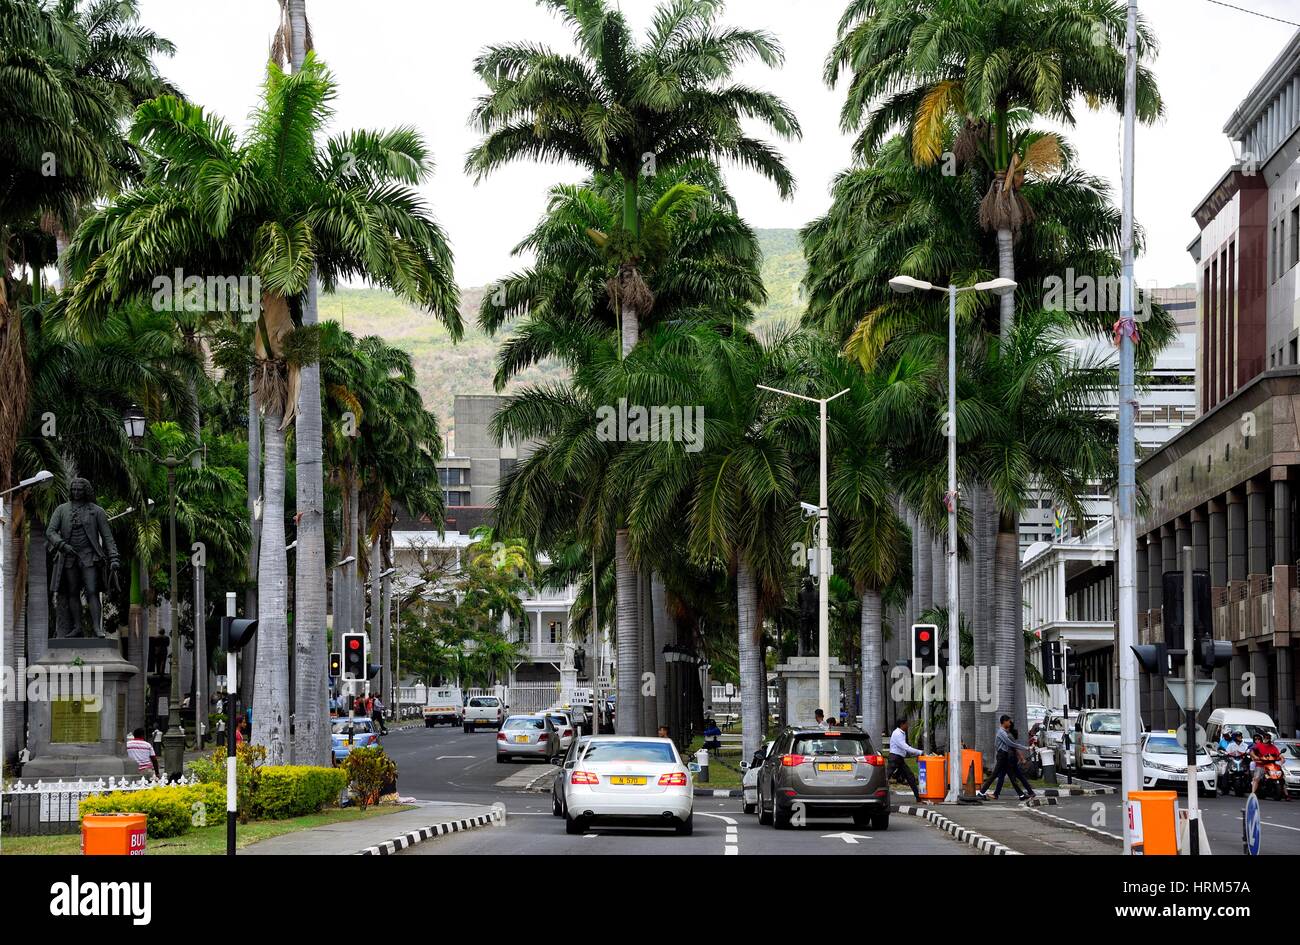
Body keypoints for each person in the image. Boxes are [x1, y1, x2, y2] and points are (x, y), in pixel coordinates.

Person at [979, 716, 1036, 801]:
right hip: (1002, 756)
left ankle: (1020, 795)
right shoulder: (1001, 733)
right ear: (1004, 722)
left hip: (1005, 756)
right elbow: (1011, 744)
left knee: (1010, 776)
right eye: (1009, 722)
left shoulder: (1004, 732)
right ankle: (981, 793)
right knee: (996, 775)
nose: (1010, 723)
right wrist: (1027, 748)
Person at [888, 718, 924, 803]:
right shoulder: (897, 733)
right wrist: (919, 752)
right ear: (902, 724)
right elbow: (905, 747)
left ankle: (918, 798)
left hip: (899, 758)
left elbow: (904, 749)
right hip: (894, 758)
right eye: (906, 724)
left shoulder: (901, 733)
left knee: (910, 776)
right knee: (886, 777)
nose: (908, 726)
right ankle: (877, 793)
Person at [1250, 731, 1288, 799]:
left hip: (1271, 765)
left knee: (1281, 777)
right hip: (1261, 765)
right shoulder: (1259, 745)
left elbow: (1279, 754)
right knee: (1256, 778)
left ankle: (1286, 795)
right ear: (1263, 738)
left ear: (1270, 739)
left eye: (1268, 738)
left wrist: (1282, 759)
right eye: (1265, 738)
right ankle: (1253, 793)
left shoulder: (1273, 747)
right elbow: (1252, 751)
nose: (1266, 739)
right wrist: (1255, 756)